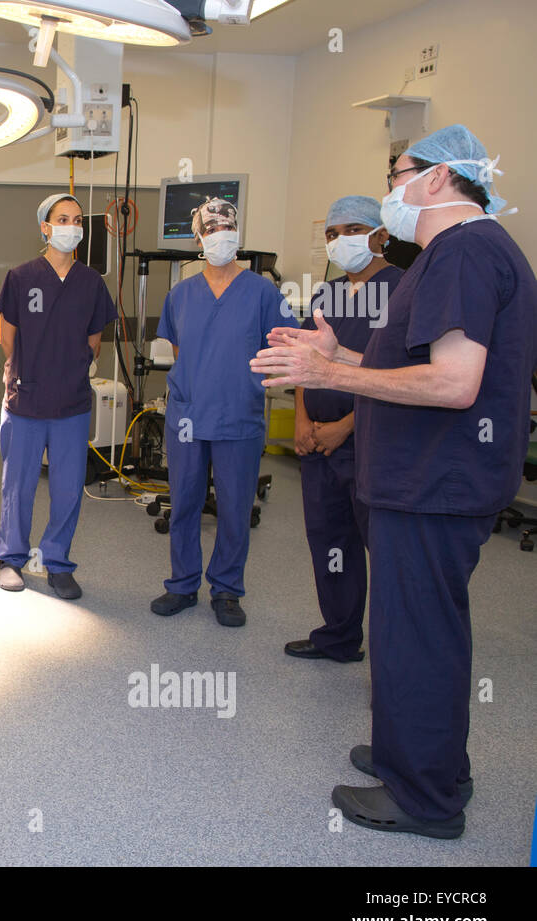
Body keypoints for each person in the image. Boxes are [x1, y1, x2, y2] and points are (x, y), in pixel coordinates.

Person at [252, 124, 537, 838]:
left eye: (396, 174)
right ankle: (420, 758)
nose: (390, 193)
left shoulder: (464, 252)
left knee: (419, 636)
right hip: (432, 480)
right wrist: (340, 348)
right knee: (422, 629)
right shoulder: (458, 254)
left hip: (434, 483)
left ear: (438, 178)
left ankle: (425, 799)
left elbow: (453, 381)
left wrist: (329, 375)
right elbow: (414, 363)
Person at [149, 198, 292, 627]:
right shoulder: (181, 294)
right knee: (186, 503)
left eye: (226, 225)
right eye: (210, 228)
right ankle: (182, 584)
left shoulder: (263, 292)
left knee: (234, 509)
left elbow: (282, 347)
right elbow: (182, 352)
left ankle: (227, 590)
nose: (219, 233)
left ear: (238, 232)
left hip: (239, 417)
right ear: (198, 238)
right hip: (189, 416)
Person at [287, 195, 402, 664]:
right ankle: (338, 636)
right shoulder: (326, 294)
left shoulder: (402, 291)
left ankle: (396, 658)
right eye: (332, 234)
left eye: (352, 230)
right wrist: (302, 417)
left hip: (371, 442)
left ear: (381, 234)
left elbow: (397, 377)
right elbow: (305, 359)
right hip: (317, 441)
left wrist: (345, 428)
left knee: (387, 549)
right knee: (329, 541)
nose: (339, 241)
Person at [0, 193, 118, 599]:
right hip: (26, 399)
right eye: (61, 218)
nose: (71, 225)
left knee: (67, 487)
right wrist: (26, 370)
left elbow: (94, 340)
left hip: (71, 403)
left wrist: (67, 366)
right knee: (19, 484)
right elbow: (7, 335)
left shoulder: (91, 282)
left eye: (77, 219)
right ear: (44, 227)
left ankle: (58, 562)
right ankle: (12, 559)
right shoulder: (21, 276)